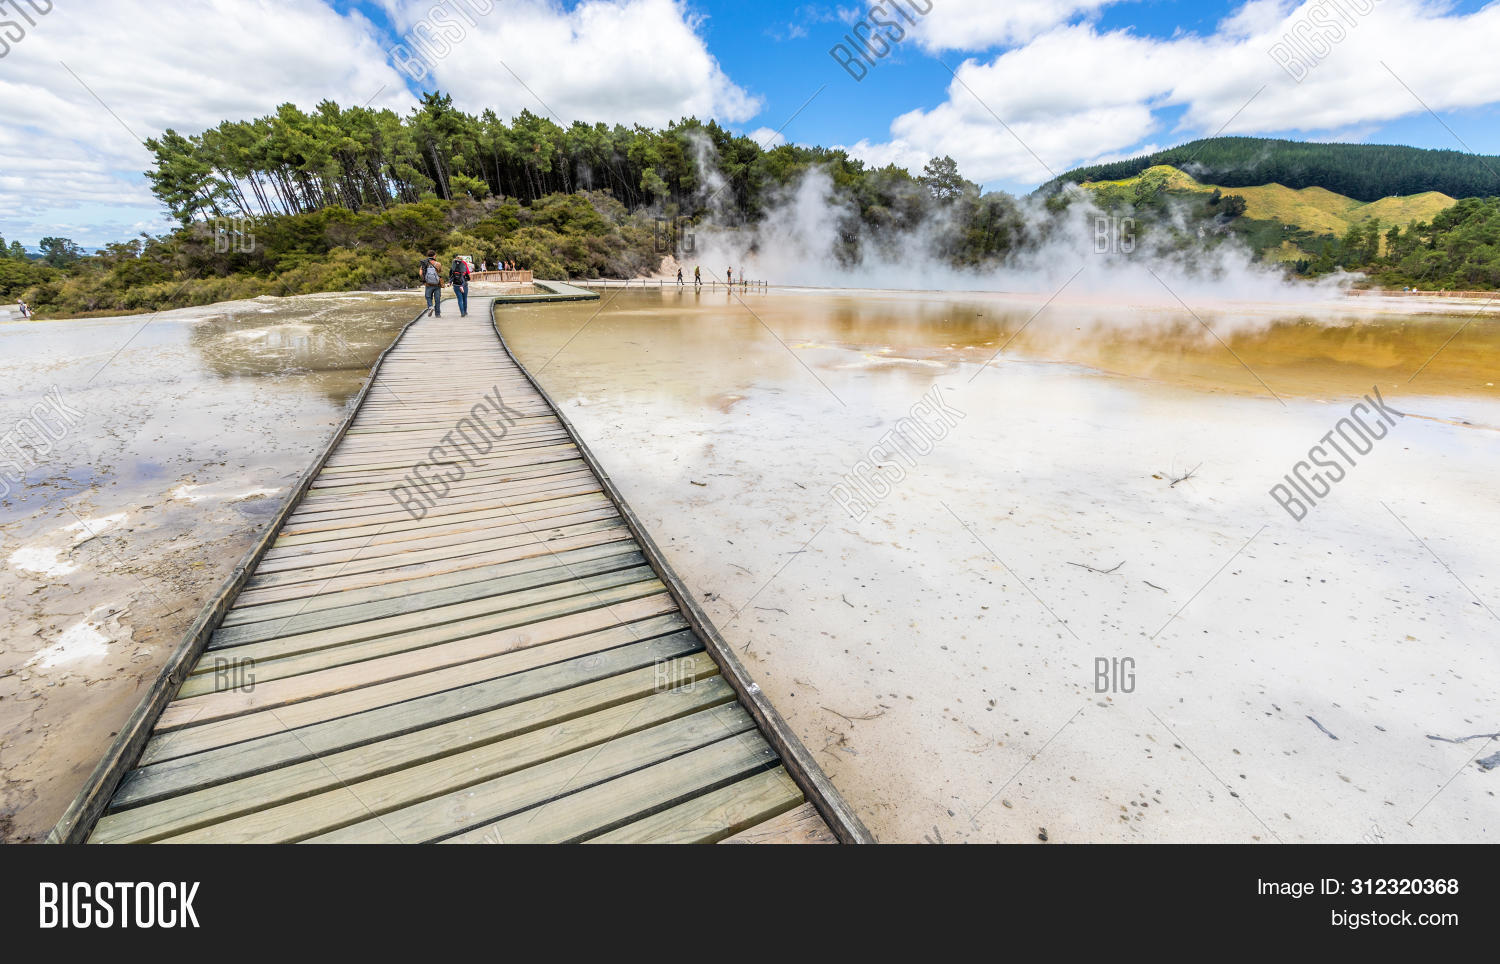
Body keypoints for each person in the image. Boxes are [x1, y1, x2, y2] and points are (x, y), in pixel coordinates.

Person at [419, 249, 444, 316]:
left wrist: (426, 278)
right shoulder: (438, 264)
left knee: (428, 297)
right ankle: (437, 314)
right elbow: (439, 272)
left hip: (428, 284)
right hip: (437, 284)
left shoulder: (424, 263)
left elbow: (420, 274)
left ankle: (430, 307)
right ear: (434, 256)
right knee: (437, 299)